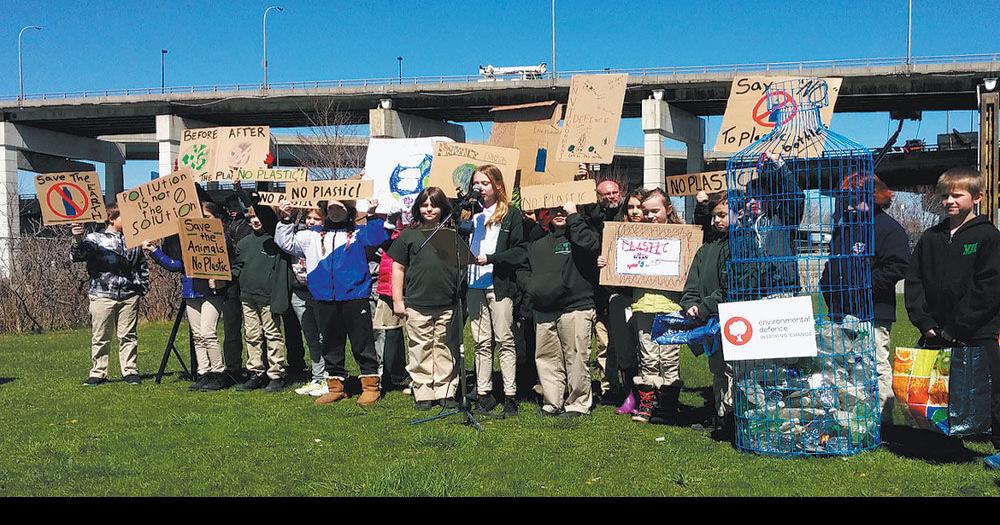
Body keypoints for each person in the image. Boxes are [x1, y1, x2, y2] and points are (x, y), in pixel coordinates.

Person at [903, 167, 1000, 469]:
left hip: (977, 331)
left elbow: (988, 287)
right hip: (936, 332)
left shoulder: (988, 237)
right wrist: (926, 323)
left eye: (957, 195)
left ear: (978, 197)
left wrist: (957, 327)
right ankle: (944, 442)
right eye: (944, 195)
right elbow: (914, 281)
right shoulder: (930, 238)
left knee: (991, 390)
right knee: (940, 391)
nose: (949, 201)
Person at [275, 198, 388, 407]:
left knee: (362, 342)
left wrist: (372, 214)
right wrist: (285, 218)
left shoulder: (358, 233)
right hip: (324, 297)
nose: (335, 212)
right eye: (331, 208)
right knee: (330, 343)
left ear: (350, 211)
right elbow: (286, 243)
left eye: (340, 208)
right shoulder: (312, 234)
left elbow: (377, 238)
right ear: (326, 211)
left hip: (355, 296)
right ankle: (336, 386)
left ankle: (371, 386)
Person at [819, 174, 909, 438]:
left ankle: (882, 421)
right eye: (846, 201)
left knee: (875, 364)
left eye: (856, 201)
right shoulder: (844, 227)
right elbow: (833, 263)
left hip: (872, 312)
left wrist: (864, 285)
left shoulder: (887, 228)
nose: (849, 206)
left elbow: (898, 266)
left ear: (874, 199)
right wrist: (828, 285)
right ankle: (847, 418)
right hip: (840, 311)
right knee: (842, 366)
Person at [600, 188, 687, 424]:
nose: (649, 216)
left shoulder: (682, 236)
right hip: (642, 304)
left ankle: (667, 406)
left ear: (668, 210)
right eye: (646, 211)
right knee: (648, 357)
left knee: (668, 357)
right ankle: (648, 404)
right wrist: (607, 262)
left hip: (670, 307)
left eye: (655, 211)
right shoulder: (632, 234)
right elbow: (619, 264)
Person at [518, 202, 601, 417]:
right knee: (546, 357)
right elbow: (524, 268)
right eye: (554, 210)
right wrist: (531, 285)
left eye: (563, 210)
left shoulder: (582, 236)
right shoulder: (537, 243)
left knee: (576, 356)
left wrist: (574, 216)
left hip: (576, 305)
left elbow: (590, 246)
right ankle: (552, 401)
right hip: (544, 307)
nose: (559, 214)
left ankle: (578, 403)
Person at [389, 187, 467, 409]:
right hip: (417, 303)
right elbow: (398, 268)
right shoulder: (409, 236)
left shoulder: (452, 235)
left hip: (447, 302)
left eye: (434, 205)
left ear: (443, 208)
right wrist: (398, 300)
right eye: (424, 205)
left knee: (445, 346)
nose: (429, 209)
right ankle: (423, 390)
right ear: (418, 208)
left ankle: (445, 389)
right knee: (420, 346)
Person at [145, 201, 233, 391]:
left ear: (217, 219)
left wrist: (217, 277)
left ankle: (219, 373)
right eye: (198, 217)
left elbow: (226, 264)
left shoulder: (221, 239)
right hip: (191, 290)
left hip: (212, 291)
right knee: (197, 334)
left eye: (207, 217)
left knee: (208, 332)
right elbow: (177, 265)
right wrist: (154, 251)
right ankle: (203, 372)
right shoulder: (188, 241)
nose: (202, 221)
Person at [463, 165, 527, 417]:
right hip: (474, 284)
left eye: (485, 183)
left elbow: (520, 251)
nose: (480, 188)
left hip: (498, 284)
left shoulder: (510, 215)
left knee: (504, 340)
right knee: (481, 342)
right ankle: (484, 393)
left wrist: (491, 258)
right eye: (476, 184)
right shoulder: (470, 216)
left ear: (497, 186)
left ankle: (510, 395)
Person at [680, 192, 738, 439]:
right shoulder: (706, 250)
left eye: (722, 215)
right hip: (710, 321)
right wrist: (690, 303)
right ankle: (721, 415)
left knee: (733, 370)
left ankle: (734, 419)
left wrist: (704, 307)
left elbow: (731, 286)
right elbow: (692, 282)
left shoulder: (740, 247)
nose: (716, 221)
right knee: (717, 369)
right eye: (715, 216)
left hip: (733, 319)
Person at [71, 204, 149, 386]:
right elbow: (77, 255)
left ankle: (130, 371)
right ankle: (98, 372)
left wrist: (141, 288)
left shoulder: (134, 239)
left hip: (129, 294)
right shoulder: (95, 238)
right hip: (102, 294)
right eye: (124, 216)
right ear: (112, 218)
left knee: (128, 335)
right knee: (101, 335)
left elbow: (141, 265)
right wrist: (77, 238)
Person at [231, 206, 293, 393]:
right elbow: (238, 267)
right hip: (248, 297)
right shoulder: (244, 243)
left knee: (272, 333)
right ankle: (256, 372)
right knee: (251, 334)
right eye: (251, 217)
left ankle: (276, 373)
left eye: (258, 217)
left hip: (268, 297)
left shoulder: (276, 242)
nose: (255, 221)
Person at [581, 179, 625, 403]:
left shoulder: (628, 215)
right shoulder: (592, 221)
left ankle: (622, 385)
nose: (611, 196)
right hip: (597, 290)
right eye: (605, 193)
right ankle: (608, 385)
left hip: (622, 290)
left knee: (619, 341)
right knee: (602, 341)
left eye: (614, 192)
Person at [608, 188, 646, 415]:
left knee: (648, 349)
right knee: (625, 349)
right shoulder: (615, 230)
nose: (634, 212)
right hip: (621, 297)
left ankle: (651, 396)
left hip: (648, 297)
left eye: (639, 207)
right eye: (630, 207)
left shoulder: (662, 231)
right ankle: (630, 395)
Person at [288, 207, 329, 397]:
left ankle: (330, 376)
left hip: (319, 292)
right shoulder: (299, 237)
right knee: (311, 337)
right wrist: (285, 217)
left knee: (324, 337)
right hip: (299, 292)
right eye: (309, 218)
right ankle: (317, 377)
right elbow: (282, 240)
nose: (312, 221)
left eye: (317, 218)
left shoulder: (326, 238)